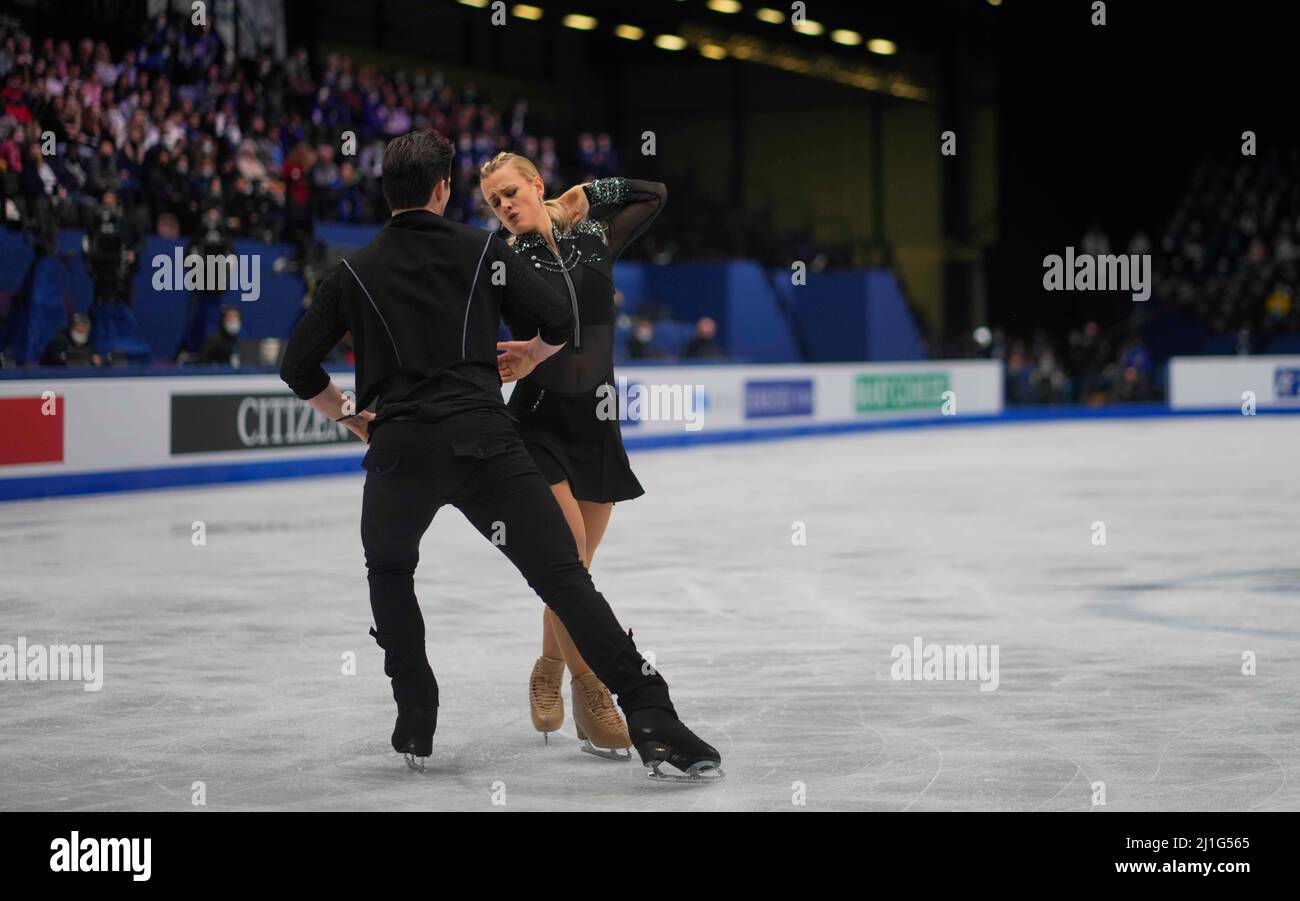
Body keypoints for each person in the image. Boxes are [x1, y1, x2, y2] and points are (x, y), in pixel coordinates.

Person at [279, 128, 721, 782]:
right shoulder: (484, 248)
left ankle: (416, 712)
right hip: (488, 443)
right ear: (443, 189)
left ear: (388, 192)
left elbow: (296, 364)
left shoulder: (351, 270)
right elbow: (560, 322)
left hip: (401, 449)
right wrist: (535, 355)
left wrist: (353, 419)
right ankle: (652, 714)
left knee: (391, 570)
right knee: (566, 578)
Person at [479, 153, 664, 759]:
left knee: (573, 571)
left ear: (537, 186)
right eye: (493, 201)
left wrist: (589, 189)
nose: (504, 206)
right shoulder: (500, 259)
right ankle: (594, 694)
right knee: (568, 562)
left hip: (598, 424)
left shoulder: (594, 235)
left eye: (511, 192)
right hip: (537, 424)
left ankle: (547, 668)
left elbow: (654, 193)